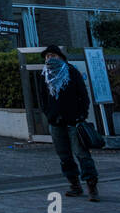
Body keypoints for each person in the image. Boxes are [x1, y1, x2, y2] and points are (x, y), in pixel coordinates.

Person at [40, 45, 99, 201]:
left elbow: (83, 95)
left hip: (74, 121)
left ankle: (92, 187)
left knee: (81, 154)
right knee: (64, 156)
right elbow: (42, 98)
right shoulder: (45, 75)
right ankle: (74, 185)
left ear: (61, 56)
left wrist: (81, 115)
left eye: (52, 55)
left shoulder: (71, 72)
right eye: (47, 56)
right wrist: (48, 113)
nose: (49, 59)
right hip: (55, 122)